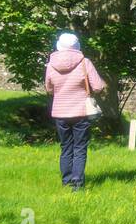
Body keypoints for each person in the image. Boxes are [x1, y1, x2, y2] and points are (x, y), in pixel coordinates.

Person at [44, 32, 106, 191]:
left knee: (65, 147)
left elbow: (49, 89)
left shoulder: (51, 64)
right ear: (77, 46)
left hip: (60, 113)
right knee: (79, 148)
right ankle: (77, 183)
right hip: (80, 112)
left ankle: (66, 181)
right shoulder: (85, 62)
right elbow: (98, 86)